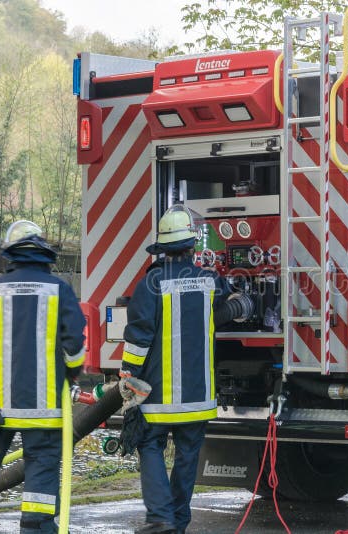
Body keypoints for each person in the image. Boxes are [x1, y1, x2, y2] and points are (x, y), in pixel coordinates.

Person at [0, 221, 86, 534]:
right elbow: (75, 342)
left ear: (11, 255)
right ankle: (36, 527)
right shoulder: (59, 289)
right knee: (42, 461)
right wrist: (71, 372)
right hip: (47, 405)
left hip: (0, 401)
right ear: (41, 252)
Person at [121, 205, 229, 534]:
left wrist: (128, 377)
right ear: (192, 246)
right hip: (197, 397)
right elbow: (230, 300)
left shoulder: (150, 285)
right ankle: (177, 523)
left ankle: (160, 518)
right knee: (187, 456)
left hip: (157, 396)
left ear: (161, 248)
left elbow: (138, 340)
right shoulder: (210, 282)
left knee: (149, 445)